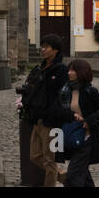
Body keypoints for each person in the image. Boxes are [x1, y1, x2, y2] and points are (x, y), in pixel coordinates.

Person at [19, 33, 69, 186]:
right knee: (34, 156)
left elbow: (62, 95)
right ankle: (63, 176)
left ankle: (54, 178)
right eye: (42, 46)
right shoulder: (40, 67)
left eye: (46, 47)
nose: (42, 49)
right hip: (36, 117)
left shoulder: (61, 70)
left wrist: (53, 112)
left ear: (55, 50)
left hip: (51, 120)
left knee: (49, 159)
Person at [50, 59, 99, 187]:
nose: (69, 73)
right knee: (82, 174)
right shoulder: (64, 90)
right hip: (69, 136)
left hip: (86, 138)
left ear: (81, 72)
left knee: (72, 176)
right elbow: (56, 110)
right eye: (69, 70)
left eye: (73, 70)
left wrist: (88, 121)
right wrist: (71, 115)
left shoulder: (90, 91)